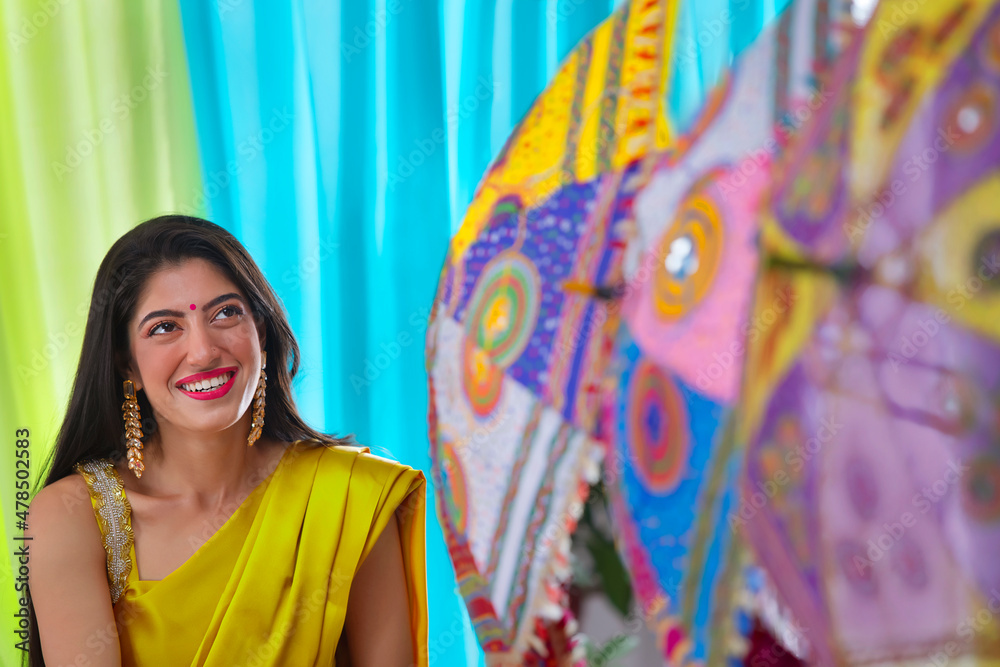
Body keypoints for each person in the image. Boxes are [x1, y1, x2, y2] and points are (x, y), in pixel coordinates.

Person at [25, 215, 428, 666]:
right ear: (127, 366)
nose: (203, 351)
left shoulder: (351, 497)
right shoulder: (73, 517)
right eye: (164, 327)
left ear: (261, 331)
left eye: (226, 313)